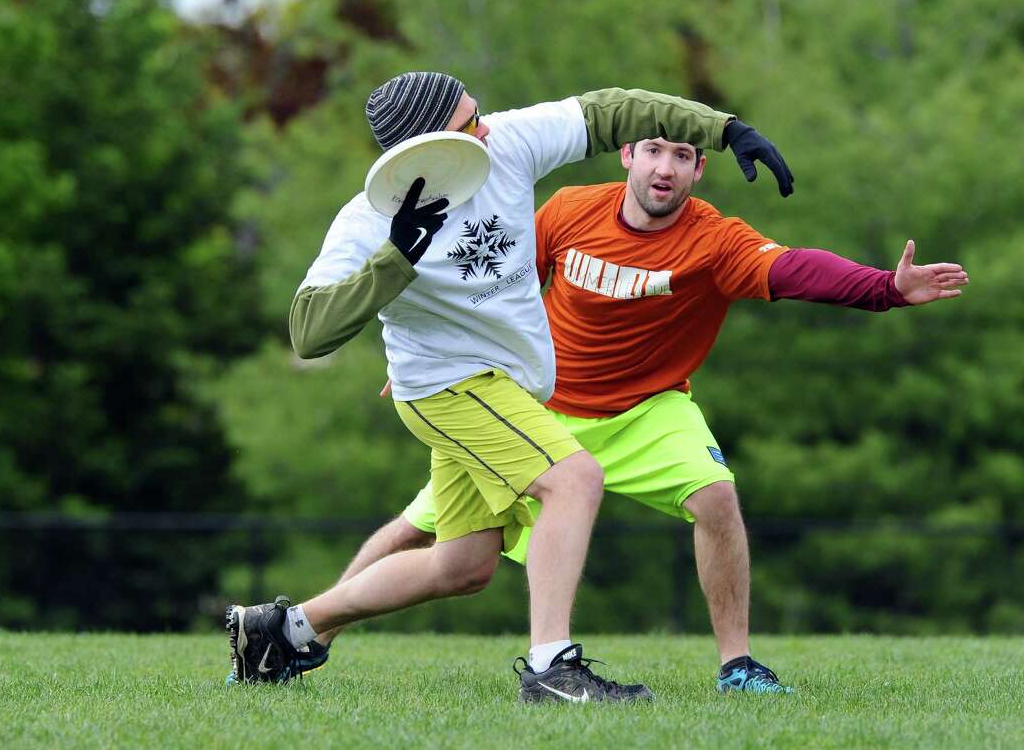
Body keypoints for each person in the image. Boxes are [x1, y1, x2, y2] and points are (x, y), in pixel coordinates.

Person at [305, 135, 969, 694]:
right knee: (420, 537)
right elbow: (493, 290)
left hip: (649, 409)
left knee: (717, 499)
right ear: (626, 154)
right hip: (540, 410)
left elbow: (794, 268)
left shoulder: (715, 239)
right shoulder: (567, 210)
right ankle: (309, 635)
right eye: (654, 150)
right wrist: (431, 359)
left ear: (698, 170)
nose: (665, 167)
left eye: (683, 155)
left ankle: (737, 666)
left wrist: (886, 289)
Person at [225, 71, 796, 703]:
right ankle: (554, 668)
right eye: (470, 123)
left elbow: (611, 111)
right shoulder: (367, 220)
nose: (486, 127)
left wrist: (721, 128)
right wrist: (395, 261)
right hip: (447, 387)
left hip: (504, 386)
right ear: (427, 147)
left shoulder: (508, 144)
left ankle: (283, 629)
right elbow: (308, 331)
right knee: (575, 478)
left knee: (463, 565)